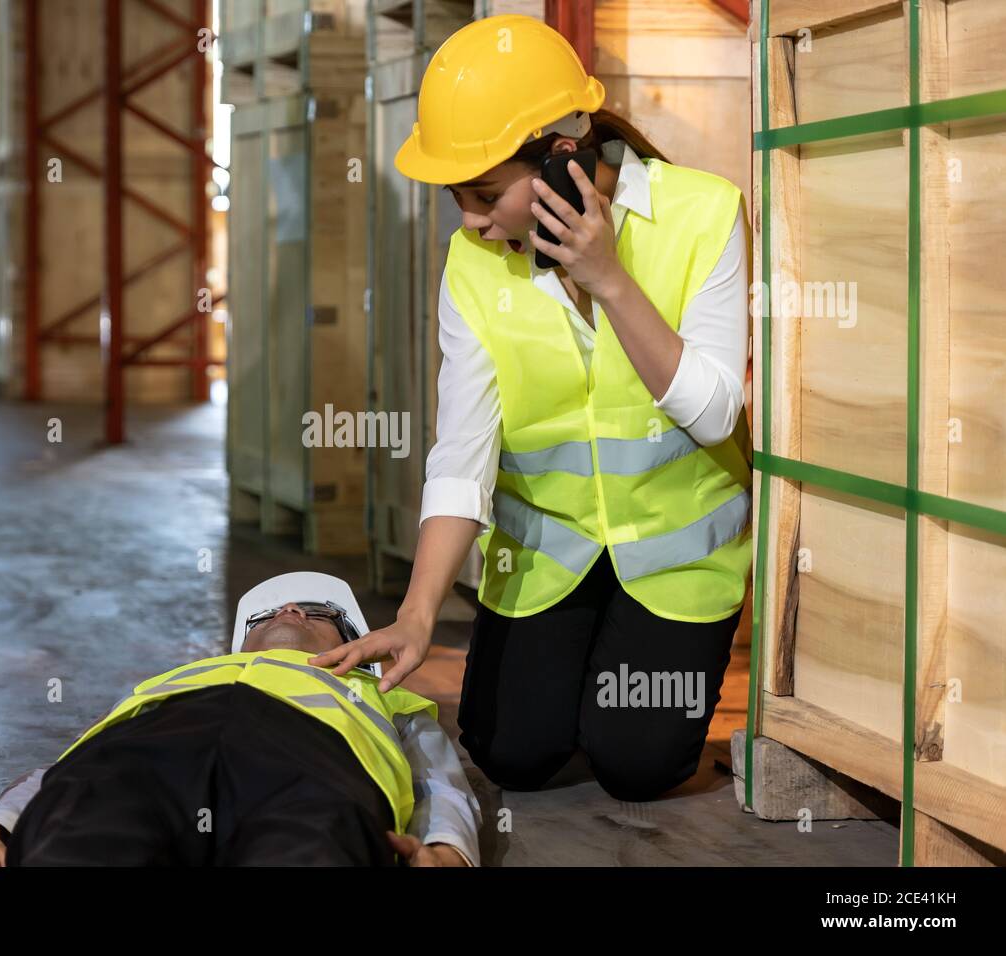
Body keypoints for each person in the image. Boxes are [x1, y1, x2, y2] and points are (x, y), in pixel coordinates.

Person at [310, 14, 751, 802]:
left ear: (560, 159)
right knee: (510, 753)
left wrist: (609, 278)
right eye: (457, 200)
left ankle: (617, 691)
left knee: (637, 766)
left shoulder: (705, 214)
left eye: (484, 196)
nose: (471, 222)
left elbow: (715, 415)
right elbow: (463, 453)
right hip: (548, 561)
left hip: (676, 562)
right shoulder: (473, 263)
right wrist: (416, 613)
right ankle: (569, 681)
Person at [0, 572, 481, 866]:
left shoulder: (381, 693)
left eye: (315, 612)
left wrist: (448, 852)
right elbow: (70, 768)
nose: (288, 611)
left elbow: (441, 783)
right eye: (269, 614)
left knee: (312, 852)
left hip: (313, 769)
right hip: (146, 756)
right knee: (79, 841)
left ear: (353, 647)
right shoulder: (166, 684)